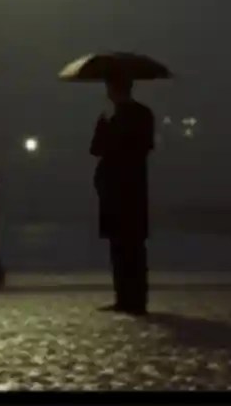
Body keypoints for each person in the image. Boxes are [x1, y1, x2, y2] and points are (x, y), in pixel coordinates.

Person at [90, 74, 155, 315]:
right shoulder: (141, 114)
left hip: (121, 187)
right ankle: (131, 298)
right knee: (128, 245)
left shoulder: (116, 117)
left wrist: (108, 131)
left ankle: (129, 298)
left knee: (124, 245)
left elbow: (98, 149)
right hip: (129, 188)